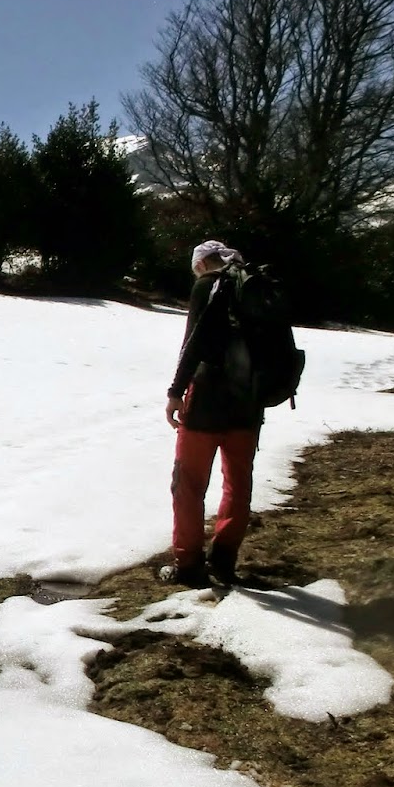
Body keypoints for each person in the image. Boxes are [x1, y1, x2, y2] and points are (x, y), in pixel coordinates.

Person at [161, 240, 262, 588]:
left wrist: (176, 392)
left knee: (188, 484)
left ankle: (188, 564)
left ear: (202, 264)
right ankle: (224, 559)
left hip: (205, 402)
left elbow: (194, 343)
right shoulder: (255, 288)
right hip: (248, 405)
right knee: (238, 482)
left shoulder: (208, 286)